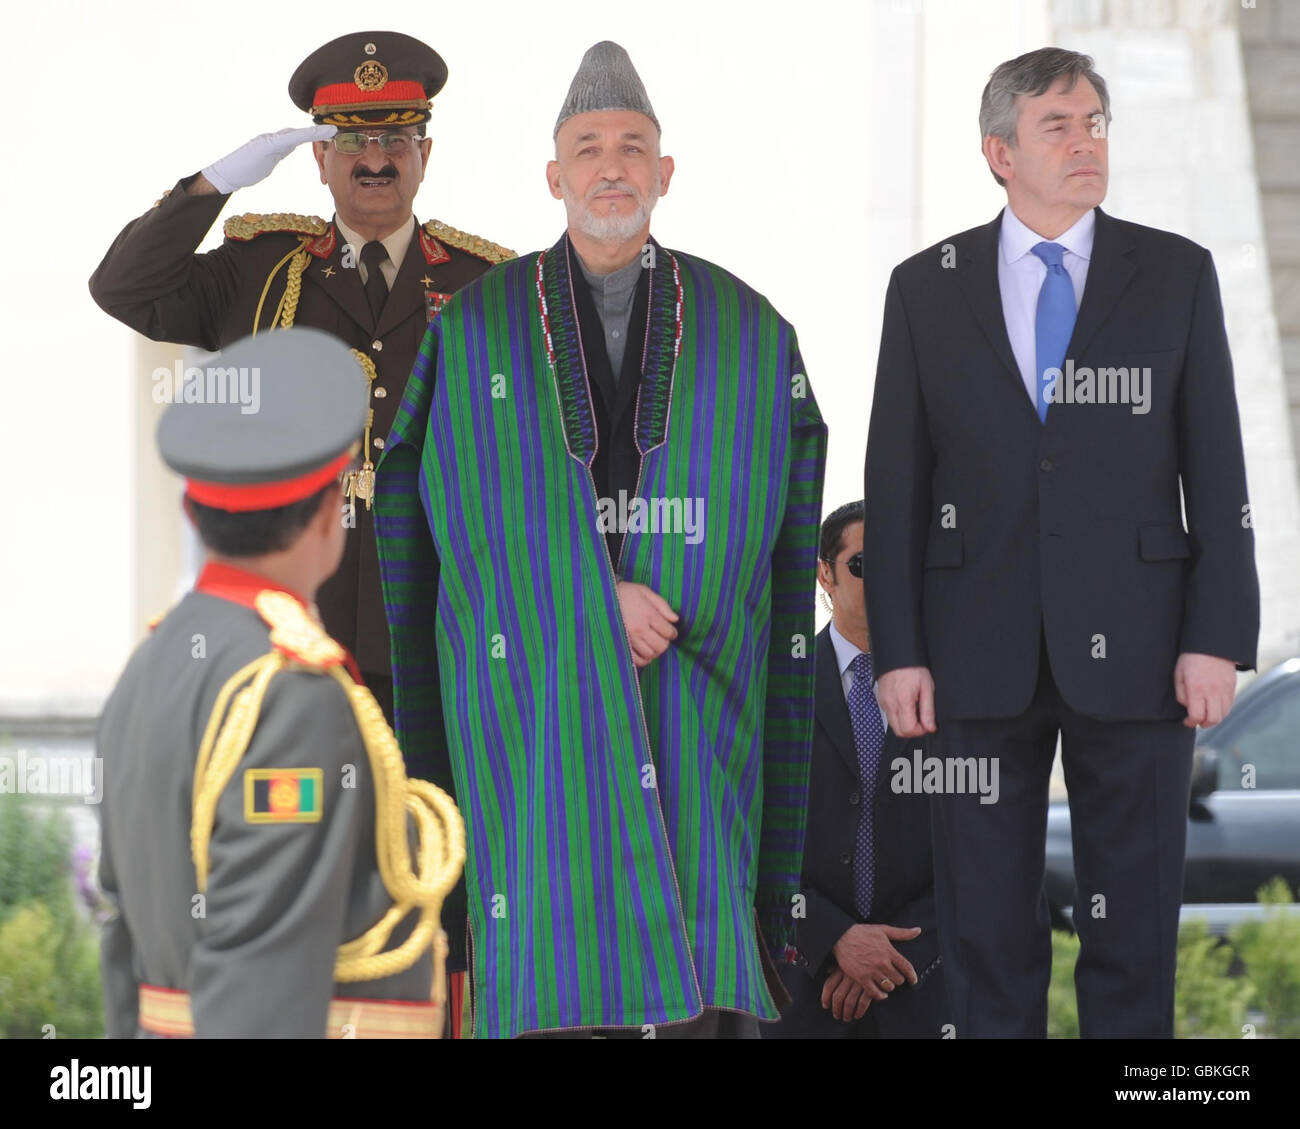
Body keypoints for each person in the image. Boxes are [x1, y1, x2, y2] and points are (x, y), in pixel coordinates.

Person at [374, 41, 827, 1038]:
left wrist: (665, 596)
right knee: (552, 946)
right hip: (541, 703)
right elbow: (456, 512)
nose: (610, 166)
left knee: (699, 944)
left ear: (664, 174)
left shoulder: (748, 328)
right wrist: (588, 606)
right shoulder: (479, 330)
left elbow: (774, 513)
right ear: (554, 176)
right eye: (588, 148)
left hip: (692, 681)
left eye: (632, 146)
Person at [863, 47, 1259, 1037]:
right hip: (967, 655)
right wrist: (899, 652)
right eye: (1058, 126)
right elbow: (897, 485)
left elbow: (1215, 469)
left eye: (1095, 124)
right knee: (986, 935)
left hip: (1142, 650)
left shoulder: (1174, 275)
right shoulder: (924, 288)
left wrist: (1217, 634)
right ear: (999, 151)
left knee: (1131, 936)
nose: (1086, 143)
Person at [89, 30, 514, 728]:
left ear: (425, 155)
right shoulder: (258, 270)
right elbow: (123, 288)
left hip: (437, 639)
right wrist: (211, 186)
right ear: (318, 156)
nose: (375, 160)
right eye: (351, 142)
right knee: (301, 828)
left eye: (398, 138)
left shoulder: (482, 286)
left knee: (428, 833)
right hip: (284, 638)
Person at [96, 327, 464, 1038]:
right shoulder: (289, 692)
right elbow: (262, 985)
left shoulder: (149, 665)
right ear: (332, 513)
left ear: (190, 513)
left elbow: (121, 938)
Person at [766, 501, 949, 1038]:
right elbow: (743, 835)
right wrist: (834, 938)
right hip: (802, 989)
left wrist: (892, 956)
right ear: (825, 572)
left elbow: (981, 841)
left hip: (925, 992)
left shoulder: (958, 689)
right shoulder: (773, 685)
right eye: (865, 564)